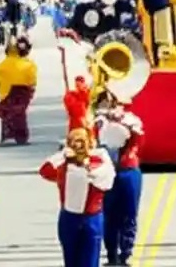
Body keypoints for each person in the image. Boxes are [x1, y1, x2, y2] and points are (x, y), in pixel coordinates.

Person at [39, 77, 116, 267]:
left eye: (82, 141)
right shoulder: (64, 162)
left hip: (92, 218)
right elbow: (45, 170)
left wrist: (85, 164)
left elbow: (106, 180)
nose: (78, 145)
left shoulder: (101, 157)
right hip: (69, 218)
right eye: (74, 141)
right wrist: (64, 156)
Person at [95, 89, 145, 266]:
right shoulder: (99, 121)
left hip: (127, 170)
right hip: (108, 171)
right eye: (107, 103)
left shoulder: (132, 121)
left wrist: (121, 121)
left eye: (114, 103)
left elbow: (138, 141)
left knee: (129, 214)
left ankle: (125, 253)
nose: (111, 106)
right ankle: (111, 254)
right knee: (109, 215)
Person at [0, 37, 37, 144]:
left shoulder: (2, 65)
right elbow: (32, 80)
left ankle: (7, 133)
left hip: (6, 92)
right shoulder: (29, 64)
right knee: (20, 114)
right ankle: (20, 136)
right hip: (22, 92)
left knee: (5, 113)